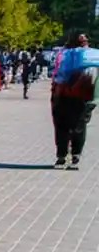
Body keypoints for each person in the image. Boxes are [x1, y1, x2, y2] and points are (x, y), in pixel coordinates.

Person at [51, 34, 96, 169]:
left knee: (62, 127)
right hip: (83, 97)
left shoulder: (65, 55)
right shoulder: (92, 58)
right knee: (79, 127)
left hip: (63, 95)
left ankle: (61, 157)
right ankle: (76, 155)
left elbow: (57, 75)